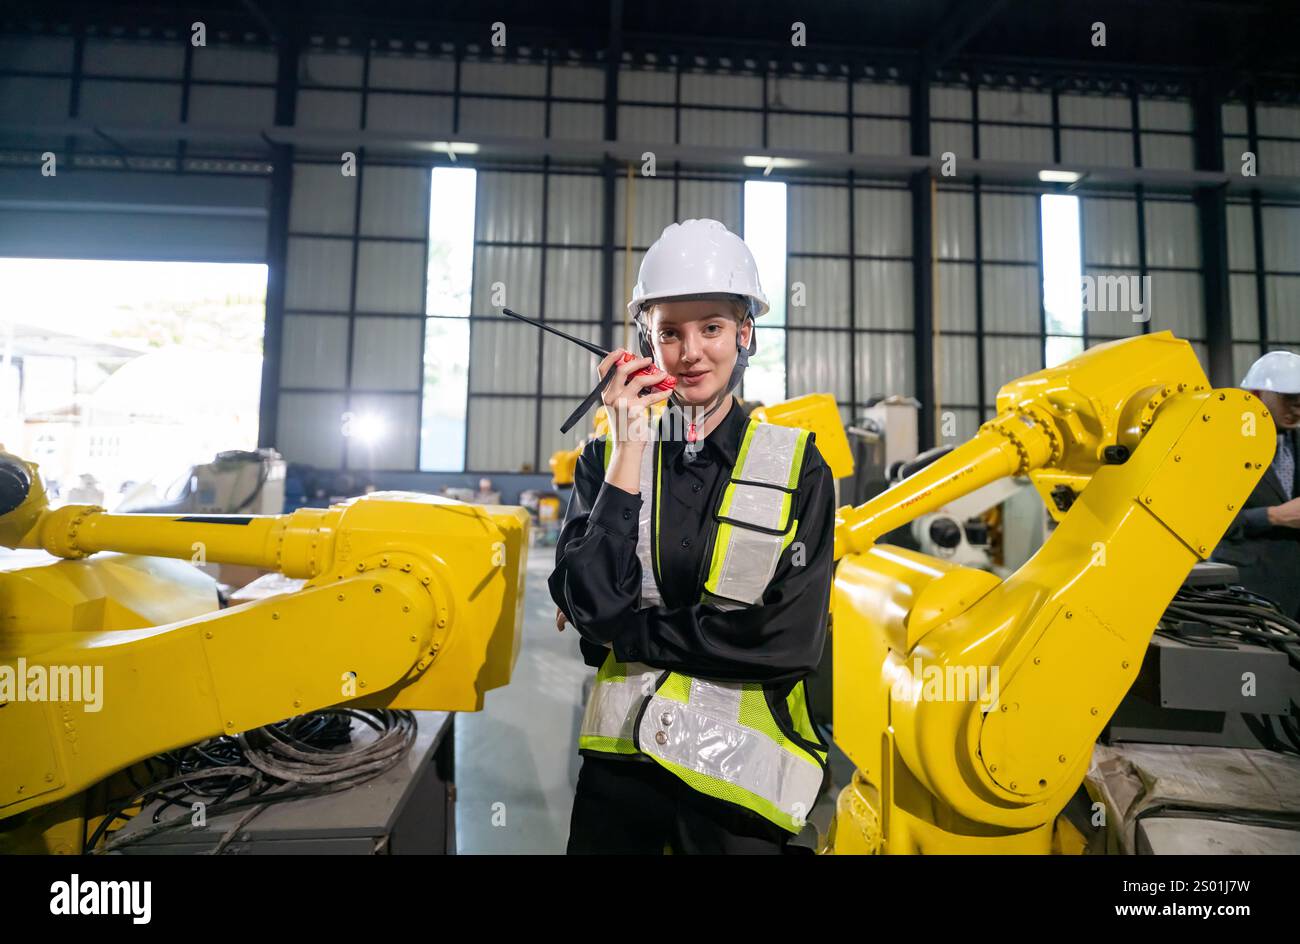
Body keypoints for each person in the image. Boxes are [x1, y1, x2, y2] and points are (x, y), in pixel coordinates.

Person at [548, 219, 836, 854]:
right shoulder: (605, 459)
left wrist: (628, 633)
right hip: (621, 784)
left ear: (745, 333)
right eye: (669, 333)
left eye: (711, 327)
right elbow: (592, 603)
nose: (690, 352)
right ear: (645, 346)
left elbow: (786, 640)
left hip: (740, 792)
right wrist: (628, 448)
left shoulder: (799, 467)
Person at [1212, 350, 1300, 617]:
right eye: (1288, 399)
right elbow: (1203, 522)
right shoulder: (1220, 449)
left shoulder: (1295, 442)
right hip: (1248, 589)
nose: (1297, 409)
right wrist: (1272, 516)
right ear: (1255, 395)